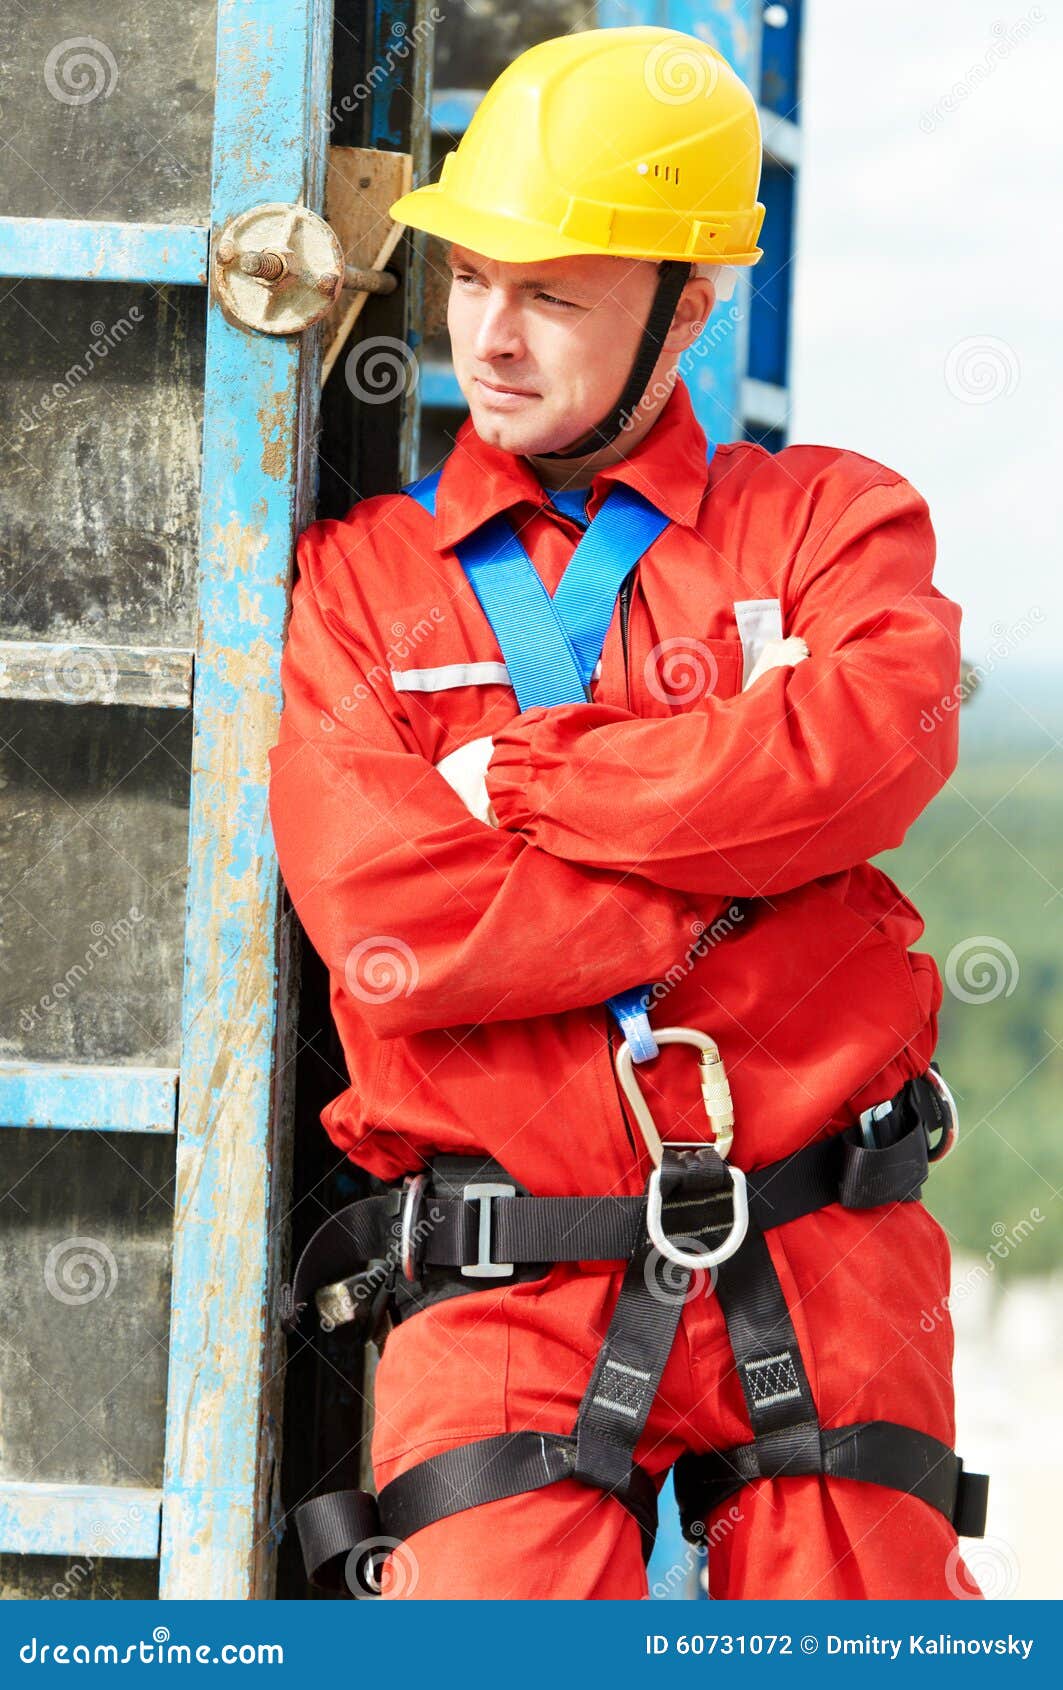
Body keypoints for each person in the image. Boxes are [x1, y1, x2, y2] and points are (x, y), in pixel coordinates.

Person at [268, 25, 986, 1601]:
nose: (493, 338)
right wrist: (747, 880)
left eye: (554, 296)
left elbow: (870, 749)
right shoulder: (360, 585)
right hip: (500, 1275)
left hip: (819, 1241)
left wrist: (522, 784)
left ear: (687, 309)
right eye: (469, 284)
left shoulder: (829, 527)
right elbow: (393, 921)